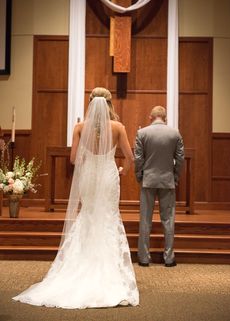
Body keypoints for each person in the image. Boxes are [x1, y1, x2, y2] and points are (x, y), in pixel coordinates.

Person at [13, 87, 139, 308]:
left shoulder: (80, 127)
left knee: (88, 215)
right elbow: (131, 157)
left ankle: (82, 263)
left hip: (89, 177)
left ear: (90, 103)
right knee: (108, 217)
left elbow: (73, 159)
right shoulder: (118, 127)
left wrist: (90, 163)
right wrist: (123, 170)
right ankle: (107, 269)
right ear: (109, 104)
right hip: (109, 176)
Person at [134, 106, 184, 267]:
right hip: (167, 180)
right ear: (165, 118)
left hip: (148, 180)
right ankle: (169, 258)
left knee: (145, 220)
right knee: (168, 219)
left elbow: (139, 159)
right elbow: (180, 159)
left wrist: (139, 176)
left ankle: (143, 258)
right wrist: (175, 176)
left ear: (151, 117)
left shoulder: (142, 133)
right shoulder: (174, 133)